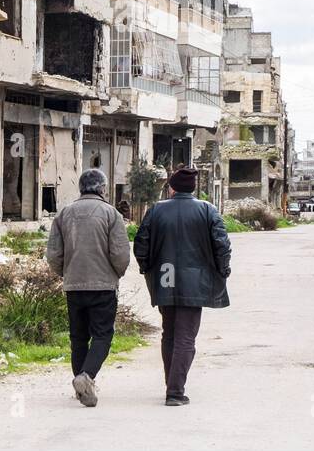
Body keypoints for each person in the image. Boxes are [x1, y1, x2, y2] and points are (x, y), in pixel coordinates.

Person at [133, 166, 231, 406]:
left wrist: (146, 267)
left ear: (172, 188)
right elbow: (222, 245)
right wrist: (223, 270)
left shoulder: (156, 210)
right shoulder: (207, 210)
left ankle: (172, 384)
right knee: (186, 335)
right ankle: (175, 392)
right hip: (194, 280)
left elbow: (141, 243)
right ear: (193, 188)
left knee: (169, 332)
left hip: (165, 277)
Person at [45, 168, 130, 408]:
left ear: (81, 188)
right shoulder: (111, 214)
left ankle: (82, 389)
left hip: (73, 286)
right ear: (102, 189)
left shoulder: (64, 214)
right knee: (103, 335)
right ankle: (86, 377)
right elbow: (121, 254)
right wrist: (115, 274)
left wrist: (66, 272)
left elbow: (53, 254)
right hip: (103, 286)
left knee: (78, 338)